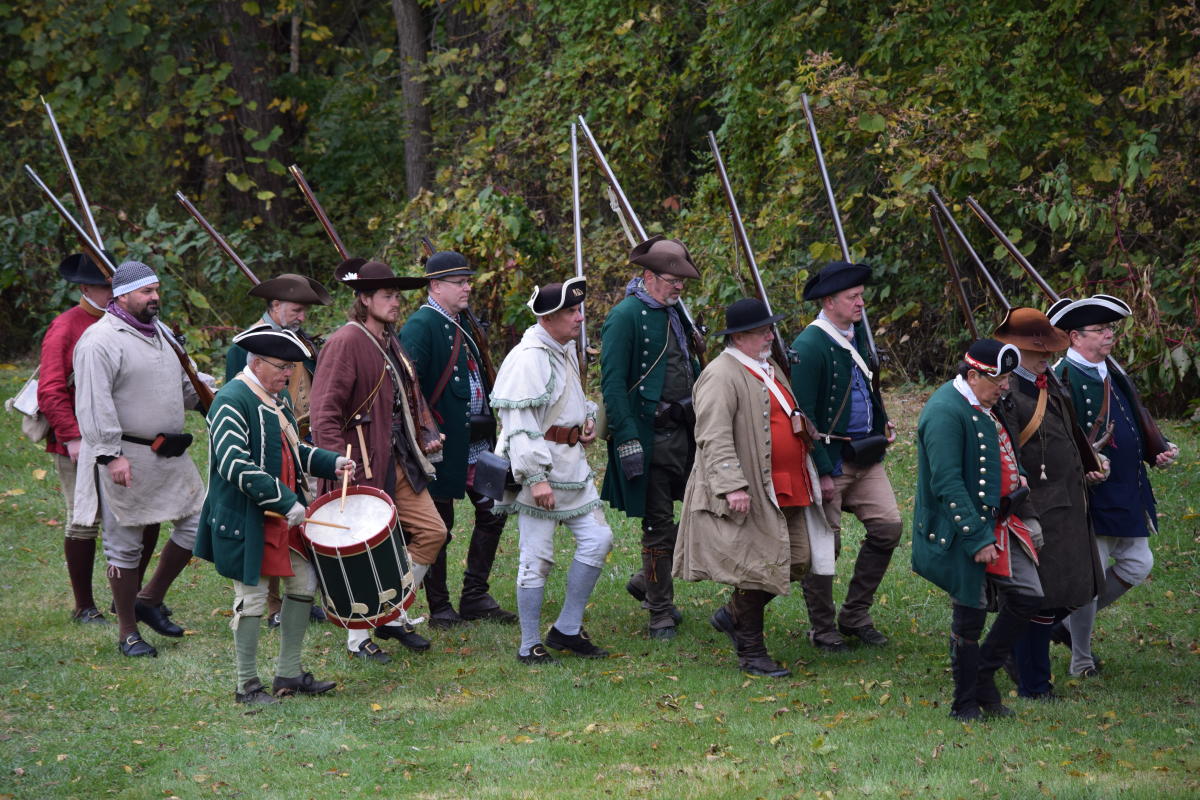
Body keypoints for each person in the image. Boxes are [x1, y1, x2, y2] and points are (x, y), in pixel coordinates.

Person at [194, 327, 355, 704]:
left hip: (281, 517)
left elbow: (296, 453)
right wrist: (285, 501)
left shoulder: (276, 399)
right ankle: (246, 686)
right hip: (245, 518)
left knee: (303, 584)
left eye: (291, 368)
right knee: (250, 601)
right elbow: (235, 464)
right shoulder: (231, 400)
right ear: (257, 362)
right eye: (283, 367)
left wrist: (334, 462)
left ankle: (290, 673)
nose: (289, 375)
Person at [674, 298, 834, 677]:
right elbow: (712, 434)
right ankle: (751, 653)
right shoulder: (720, 373)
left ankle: (732, 616)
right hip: (751, 487)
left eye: (769, 328)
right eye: (763, 330)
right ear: (740, 336)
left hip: (785, 483)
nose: (770, 335)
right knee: (755, 568)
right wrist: (731, 485)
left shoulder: (768, 366)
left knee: (797, 559)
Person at [309, 258, 448, 663]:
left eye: (397, 295)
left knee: (431, 532)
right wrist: (338, 466)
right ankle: (358, 638)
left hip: (399, 459)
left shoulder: (390, 339)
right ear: (364, 299)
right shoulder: (345, 342)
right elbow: (324, 415)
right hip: (359, 464)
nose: (396, 302)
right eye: (387, 296)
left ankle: (392, 613)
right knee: (364, 551)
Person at [72, 260, 213, 657]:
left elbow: (188, 384)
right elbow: (94, 405)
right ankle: (127, 632)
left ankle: (149, 598)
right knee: (126, 545)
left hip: (170, 453)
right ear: (122, 296)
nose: (155, 298)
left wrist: (213, 397)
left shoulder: (161, 333)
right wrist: (110, 456)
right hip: (126, 456)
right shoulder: (99, 341)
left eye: (156, 290)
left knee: (198, 524)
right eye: (146, 292)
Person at [912, 339, 1043, 721]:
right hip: (961, 530)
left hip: (998, 521)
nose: (1005, 386)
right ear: (972, 375)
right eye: (998, 379)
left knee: (1029, 596)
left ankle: (984, 676)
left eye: (1005, 378)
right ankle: (965, 703)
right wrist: (976, 536)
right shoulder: (944, 412)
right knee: (969, 615)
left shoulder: (980, 403)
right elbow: (947, 482)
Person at [1049, 295, 1180, 677]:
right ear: (1074, 337)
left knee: (1138, 564)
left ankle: (1063, 625)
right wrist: (1084, 466)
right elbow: (1054, 441)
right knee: (1089, 581)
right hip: (1091, 495)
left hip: (1127, 488)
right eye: (1101, 330)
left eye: (1111, 329)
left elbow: (1132, 417)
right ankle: (1081, 659)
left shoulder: (1110, 370)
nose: (1110, 336)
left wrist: (1158, 446)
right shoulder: (1063, 379)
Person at [491, 277, 613, 664]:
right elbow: (519, 425)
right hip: (538, 471)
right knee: (537, 556)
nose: (579, 318)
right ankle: (529, 644)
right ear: (548, 317)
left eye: (578, 310)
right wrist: (537, 479)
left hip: (572, 466)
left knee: (599, 539)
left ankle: (567, 629)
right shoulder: (528, 358)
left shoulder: (562, 348)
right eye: (571, 312)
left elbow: (568, 399)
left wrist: (586, 419)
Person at [399, 250, 516, 627]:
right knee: (440, 524)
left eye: (467, 280)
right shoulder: (421, 325)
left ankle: (475, 595)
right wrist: (424, 435)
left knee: (494, 510)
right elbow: (407, 390)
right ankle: (440, 607)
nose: (468, 286)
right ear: (436, 286)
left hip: (478, 442)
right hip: (443, 445)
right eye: (459, 282)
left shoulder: (461, 321)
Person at [993, 308, 1106, 699]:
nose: (1044, 356)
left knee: (1076, 591)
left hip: (1069, 503)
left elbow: (1065, 431)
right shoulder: (1007, 393)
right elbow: (1006, 455)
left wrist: (1088, 463)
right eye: (1034, 350)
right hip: (1038, 507)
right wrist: (1025, 511)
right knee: (1043, 600)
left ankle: (1008, 648)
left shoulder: (1045, 381)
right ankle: (1034, 684)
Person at [789, 261, 901, 652]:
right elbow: (802, 417)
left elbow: (871, 388)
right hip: (831, 459)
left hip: (865, 454)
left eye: (860, 295)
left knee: (889, 528)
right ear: (829, 301)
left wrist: (881, 423)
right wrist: (820, 468)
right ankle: (823, 628)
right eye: (853, 297)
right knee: (825, 547)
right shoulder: (809, 345)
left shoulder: (856, 336)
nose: (861, 302)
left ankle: (855, 614)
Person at [600, 236, 702, 639]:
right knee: (658, 525)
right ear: (648, 277)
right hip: (650, 435)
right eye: (671, 280)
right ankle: (660, 610)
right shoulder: (625, 316)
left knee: (701, 513)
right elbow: (612, 384)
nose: (678, 287)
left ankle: (648, 578)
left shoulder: (678, 315)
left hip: (687, 432)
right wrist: (627, 441)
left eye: (682, 281)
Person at [225, 272, 333, 628]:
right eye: (296, 309)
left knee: (294, 524)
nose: (302, 316)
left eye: (304, 310)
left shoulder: (300, 342)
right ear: (275, 306)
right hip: (261, 443)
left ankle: (292, 600)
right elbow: (233, 399)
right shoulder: (247, 345)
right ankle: (272, 608)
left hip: (296, 435)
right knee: (270, 521)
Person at [37, 253, 115, 623]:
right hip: (77, 440)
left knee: (124, 519)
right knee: (82, 520)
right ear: (85, 289)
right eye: (106, 287)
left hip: (115, 436)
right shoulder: (65, 326)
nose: (113, 293)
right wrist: (72, 437)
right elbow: (50, 389)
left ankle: (125, 599)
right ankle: (84, 606)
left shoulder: (118, 322)